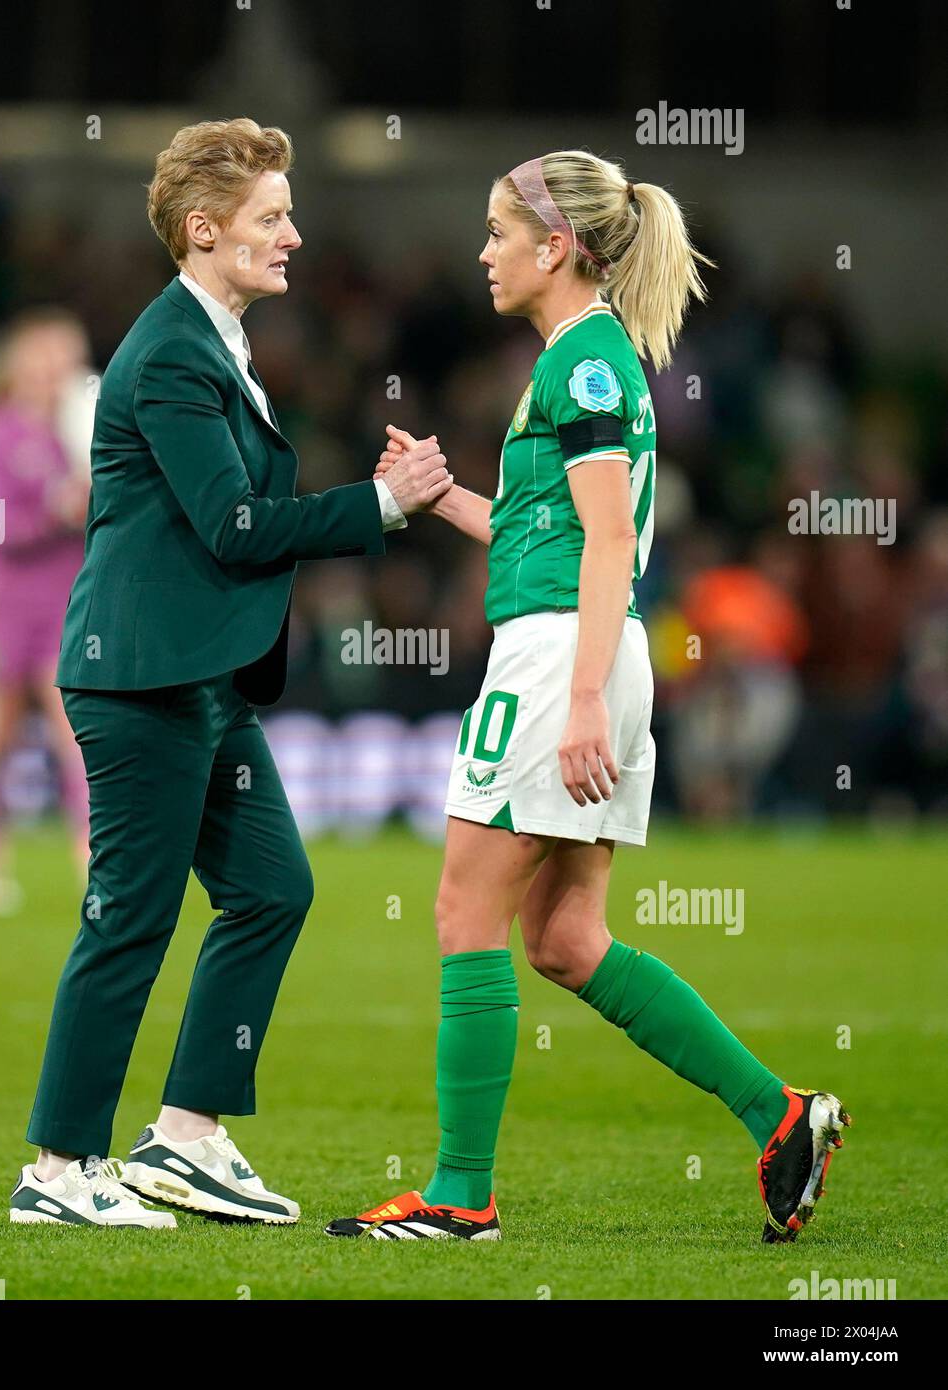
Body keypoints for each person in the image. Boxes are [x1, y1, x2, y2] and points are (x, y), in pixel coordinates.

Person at [327, 150, 850, 1244]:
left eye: (494, 231)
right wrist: (440, 497)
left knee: (461, 913)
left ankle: (459, 1195)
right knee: (563, 938)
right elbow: (553, 534)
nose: (481, 251)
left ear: (553, 244)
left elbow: (611, 538)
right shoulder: (579, 358)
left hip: (561, 661)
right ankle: (780, 1113)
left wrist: (572, 701)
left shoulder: (586, 364)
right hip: (585, 652)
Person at [10, 119, 451, 1228]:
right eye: (271, 217)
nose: (294, 235)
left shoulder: (205, 338)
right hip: (143, 677)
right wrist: (380, 507)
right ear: (203, 231)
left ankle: (188, 1135)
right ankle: (57, 1171)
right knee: (130, 918)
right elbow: (232, 523)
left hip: (199, 676)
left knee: (271, 889)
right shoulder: (169, 350)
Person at [0, 309, 92, 913]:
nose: (57, 371)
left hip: (65, 603)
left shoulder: (83, 429)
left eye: (68, 359)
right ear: (20, 364)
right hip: (0, 606)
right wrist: (56, 511)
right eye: (46, 358)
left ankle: (92, 864)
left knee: (78, 738)